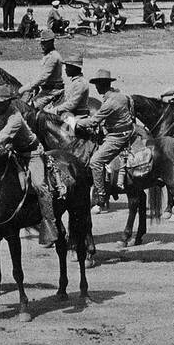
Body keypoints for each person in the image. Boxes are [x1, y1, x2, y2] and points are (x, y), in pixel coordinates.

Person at [0, 82, 61, 246]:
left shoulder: (15, 118)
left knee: (39, 186)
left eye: (0, 103)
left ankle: (49, 225)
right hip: (11, 150)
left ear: (8, 102)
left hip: (31, 153)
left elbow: (1, 136)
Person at [78, 69, 135, 211]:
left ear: (102, 85)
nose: (96, 87)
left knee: (95, 161)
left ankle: (101, 196)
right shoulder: (121, 95)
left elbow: (94, 121)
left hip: (117, 136)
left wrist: (75, 122)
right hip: (127, 130)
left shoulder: (110, 102)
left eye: (97, 84)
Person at [20, 29, 64, 109]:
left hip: (51, 92)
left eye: (45, 43)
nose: (42, 45)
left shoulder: (53, 57)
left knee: (30, 108)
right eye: (41, 42)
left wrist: (25, 88)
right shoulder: (48, 55)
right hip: (46, 90)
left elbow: (43, 77)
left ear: (51, 42)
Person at [47, 53, 91, 118]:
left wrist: (54, 110)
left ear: (74, 68)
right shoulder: (74, 82)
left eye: (68, 67)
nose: (65, 69)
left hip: (78, 116)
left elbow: (72, 104)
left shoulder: (80, 83)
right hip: (70, 113)